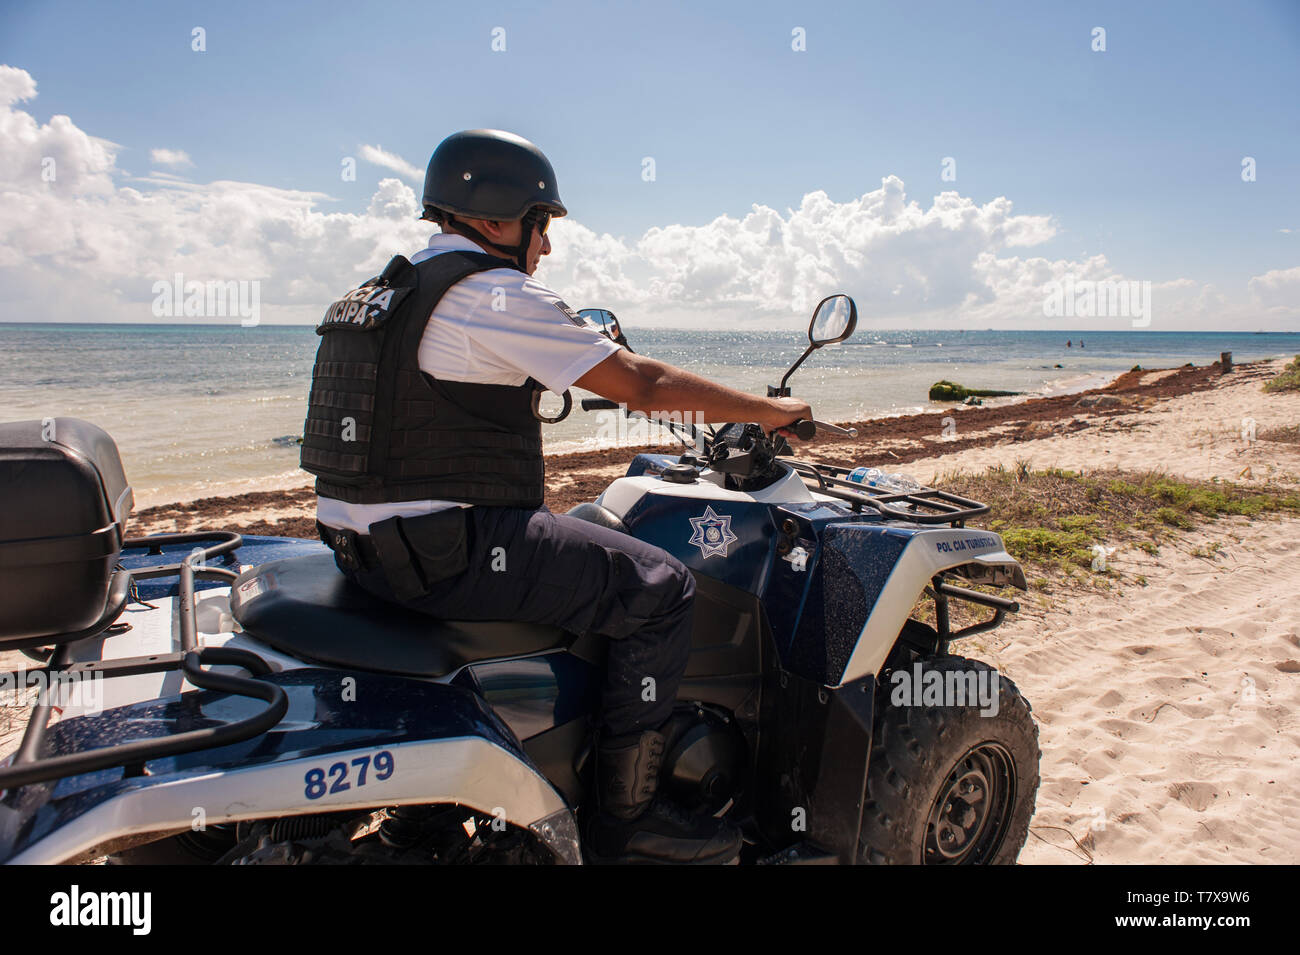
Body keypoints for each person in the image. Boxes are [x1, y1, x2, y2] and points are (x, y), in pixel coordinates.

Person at [300, 129, 810, 864]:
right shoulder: (494, 293)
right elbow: (643, 383)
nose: (546, 248)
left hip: (360, 547)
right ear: (502, 219)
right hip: (449, 551)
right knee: (661, 587)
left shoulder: (382, 291)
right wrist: (771, 411)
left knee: (575, 540)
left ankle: (455, 803)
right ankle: (629, 817)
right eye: (542, 225)